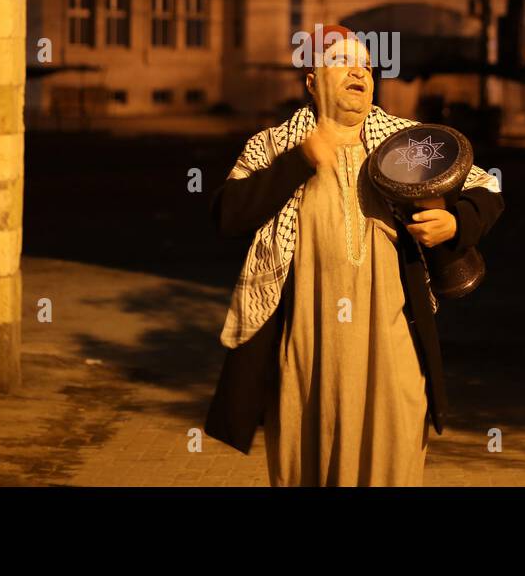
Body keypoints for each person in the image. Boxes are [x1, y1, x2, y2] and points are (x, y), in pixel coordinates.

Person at [204, 25, 504, 485]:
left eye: (366, 65)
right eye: (344, 63)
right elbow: (226, 213)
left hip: (390, 346)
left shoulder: (406, 144)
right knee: (306, 464)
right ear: (311, 81)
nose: (359, 73)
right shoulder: (275, 146)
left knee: (392, 459)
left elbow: (489, 188)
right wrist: (301, 160)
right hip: (305, 349)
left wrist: (456, 223)